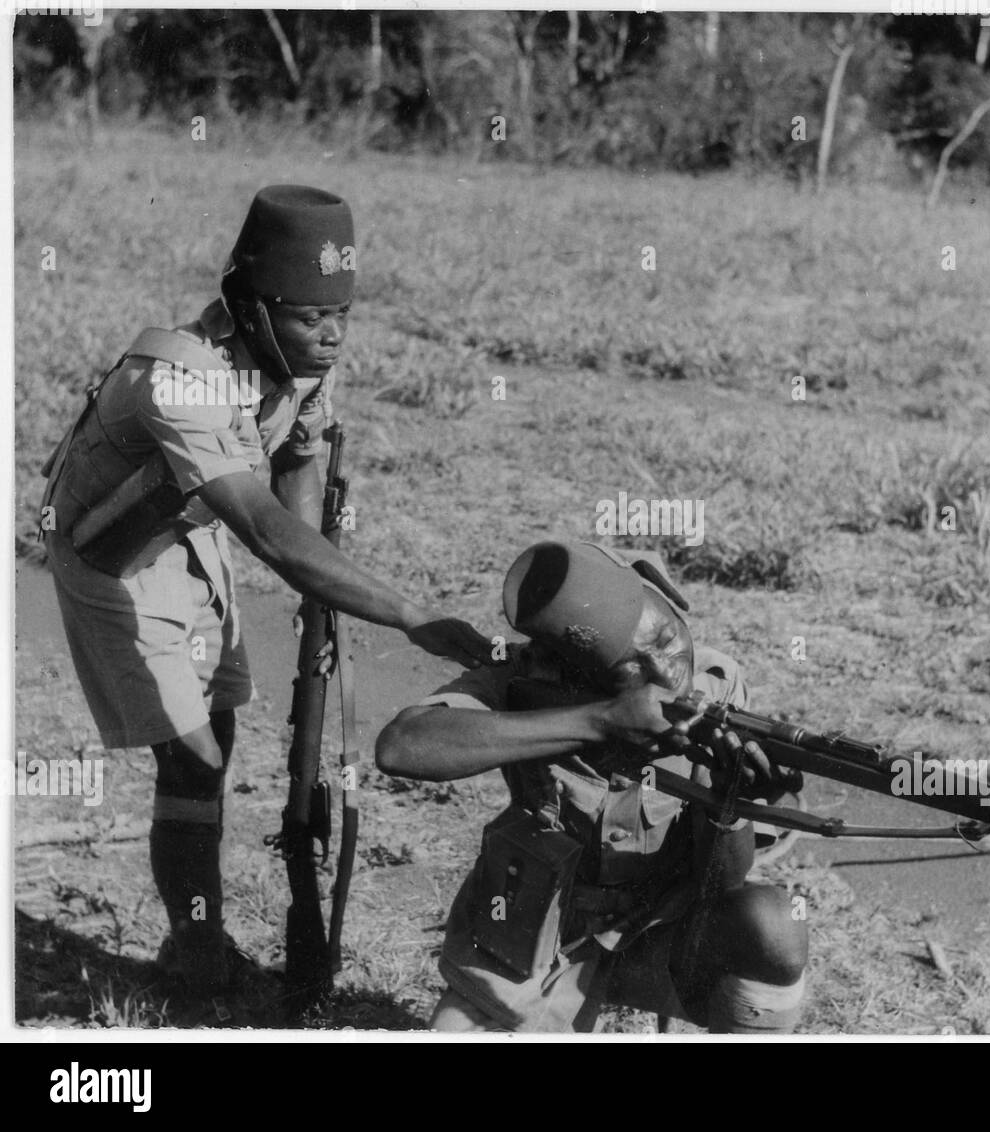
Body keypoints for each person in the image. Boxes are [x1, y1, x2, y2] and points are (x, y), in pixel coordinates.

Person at [39, 185, 494, 1002]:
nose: (330, 336)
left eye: (342, 315)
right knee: (193, 759)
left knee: (215, 732)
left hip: (189, 529)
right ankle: (200, 963)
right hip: (112, 557)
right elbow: (266, 531)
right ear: (247, 305)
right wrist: (409, 614)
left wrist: (319, 583)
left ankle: (193, 943)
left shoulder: (299, 360)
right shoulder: (179, 379)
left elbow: (295, 469)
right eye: (307, 316)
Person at [375, 539, 809, 1033]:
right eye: (632, 671)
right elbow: (401, 746)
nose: (668, 674)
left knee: (774, 924)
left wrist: (729, 805)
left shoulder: (717, 683)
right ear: (561, 672)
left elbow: (726, 882)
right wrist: (598, 721)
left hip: (664, 930)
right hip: (538, 933)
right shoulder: (519, 681)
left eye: (668, 639)